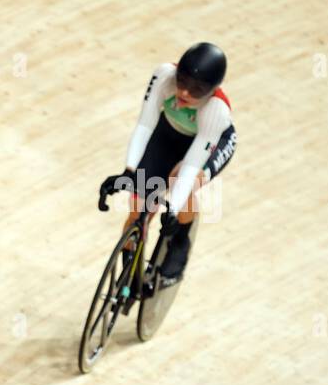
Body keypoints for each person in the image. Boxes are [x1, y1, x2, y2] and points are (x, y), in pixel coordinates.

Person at [98, 43, 238, 284]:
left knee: (181, 179)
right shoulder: (163, 75)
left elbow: (193, 163)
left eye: (197, 90)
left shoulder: (217, 110)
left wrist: (172, 210)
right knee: (140, 207)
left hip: (208, 144)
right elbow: (145, 124)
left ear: (211, 90)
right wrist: (129, 171)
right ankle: (129, 272)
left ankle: (181, 239)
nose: (185, 93)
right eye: (182, 81)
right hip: (168, 134)